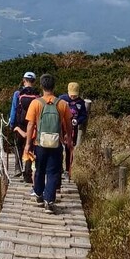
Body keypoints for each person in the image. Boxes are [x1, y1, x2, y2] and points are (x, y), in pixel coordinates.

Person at [25, 74, 73, 212]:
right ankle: (49, 201)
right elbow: (68, 124)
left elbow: (30, 125)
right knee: (53, 172)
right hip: (56, 143)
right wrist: (68, 138)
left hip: (40, 143)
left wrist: (28, 144)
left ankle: (39, 194)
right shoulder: (62, 104)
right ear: (54, 86)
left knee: (39, 169)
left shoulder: (36, 103)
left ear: (41, 86)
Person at [8, 71, 39, 179]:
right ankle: (27, 172)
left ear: (24, 80)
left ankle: (18, 168)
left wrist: (12, 124)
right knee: (29, 147)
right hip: (33, 124)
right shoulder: (37, 95)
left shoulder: (18, 93)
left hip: (20, 124)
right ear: (34, 81)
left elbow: (14, 109)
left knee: (18, 146)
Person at [58, 80, 90, 175]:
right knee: (59, 147)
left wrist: (77, 121)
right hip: (61, 127)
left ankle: (68, 169)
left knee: (70, 148)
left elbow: (84, 115)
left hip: (73, 128)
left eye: (75, 95)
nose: (73, 97)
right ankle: (59, 168)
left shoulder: (80, 102)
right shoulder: (62, 99)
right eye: (71, 95)